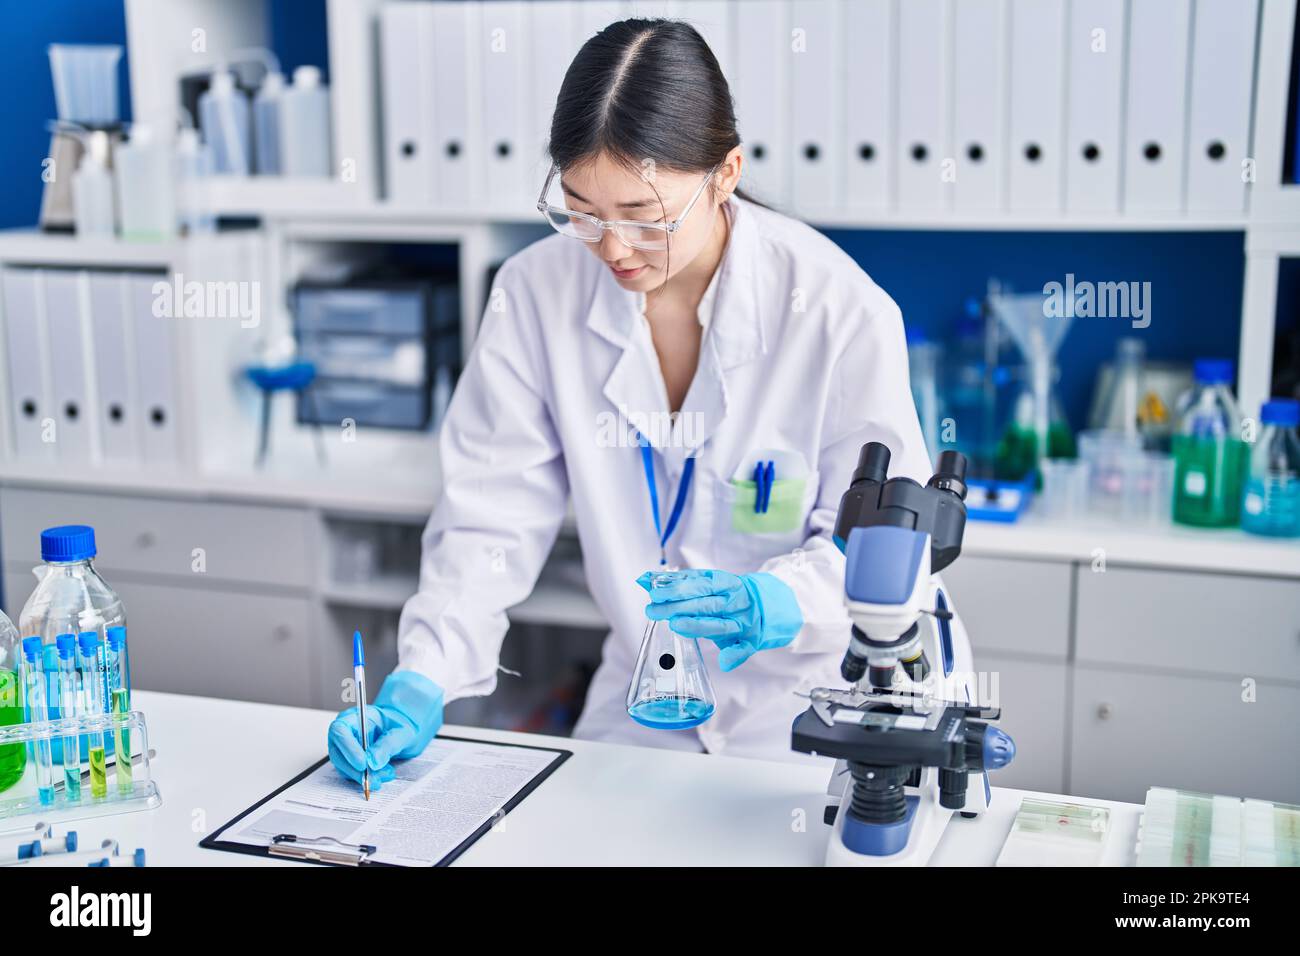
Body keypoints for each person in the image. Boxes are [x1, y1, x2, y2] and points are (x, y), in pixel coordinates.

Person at [328, 18, 973, 788]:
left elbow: (892, 556)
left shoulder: (837, 310)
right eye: (581, 210)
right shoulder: (535, 294)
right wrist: (423, 675)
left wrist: (778, 600)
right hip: (649, 697)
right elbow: (490, 515)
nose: (612, 248)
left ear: (726, 173)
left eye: (643, 216)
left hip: (824, 700)